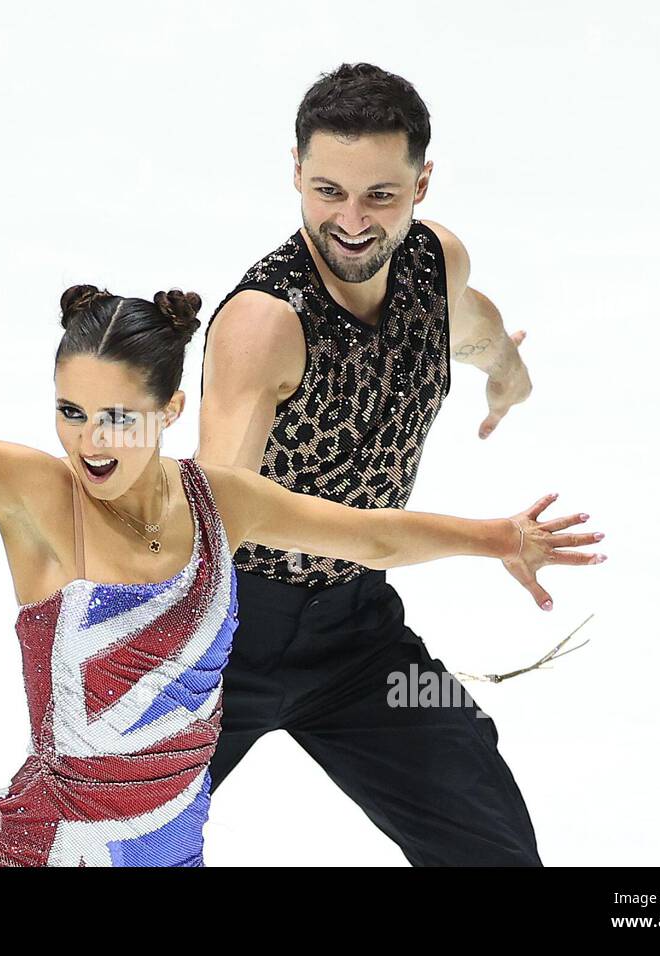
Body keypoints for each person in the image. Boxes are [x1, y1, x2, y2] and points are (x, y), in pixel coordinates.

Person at [0, 280, 604, 866]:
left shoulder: (220, 502)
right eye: (70, 409)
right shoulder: (37, 502)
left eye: (116, 414)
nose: (88, 437)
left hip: (169, 851)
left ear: (171, 411)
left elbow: (367, 537)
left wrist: (492, 538)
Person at [194, 62, 575, 865]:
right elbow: (216, 523)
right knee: (99, 843)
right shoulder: (265, 323)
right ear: (295, 174)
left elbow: (470, 330)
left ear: (422, 183)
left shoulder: (436, 262)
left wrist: (507, 374)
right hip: (225, 652)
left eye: (380, 195)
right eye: (327, 191)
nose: (353, 221)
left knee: (491, 834)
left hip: (361, 639)